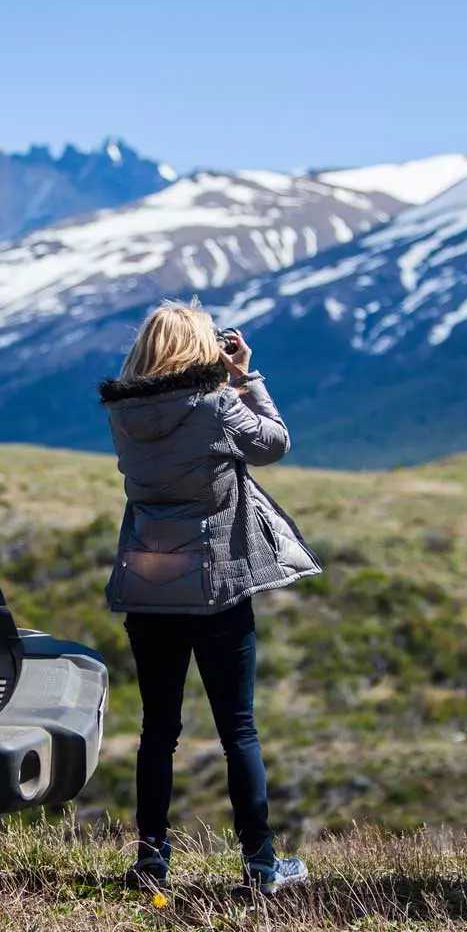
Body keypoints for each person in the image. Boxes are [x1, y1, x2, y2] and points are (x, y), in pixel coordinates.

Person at [99, 301, 321, 896]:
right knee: (238, 730)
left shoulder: (123, 413)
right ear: (200, 348)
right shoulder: (217, 406)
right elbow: (273, 443)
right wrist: (246, 377)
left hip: (148, 586)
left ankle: (151, 861)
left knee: (157, 730)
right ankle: (261, 863)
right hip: (218, 588)